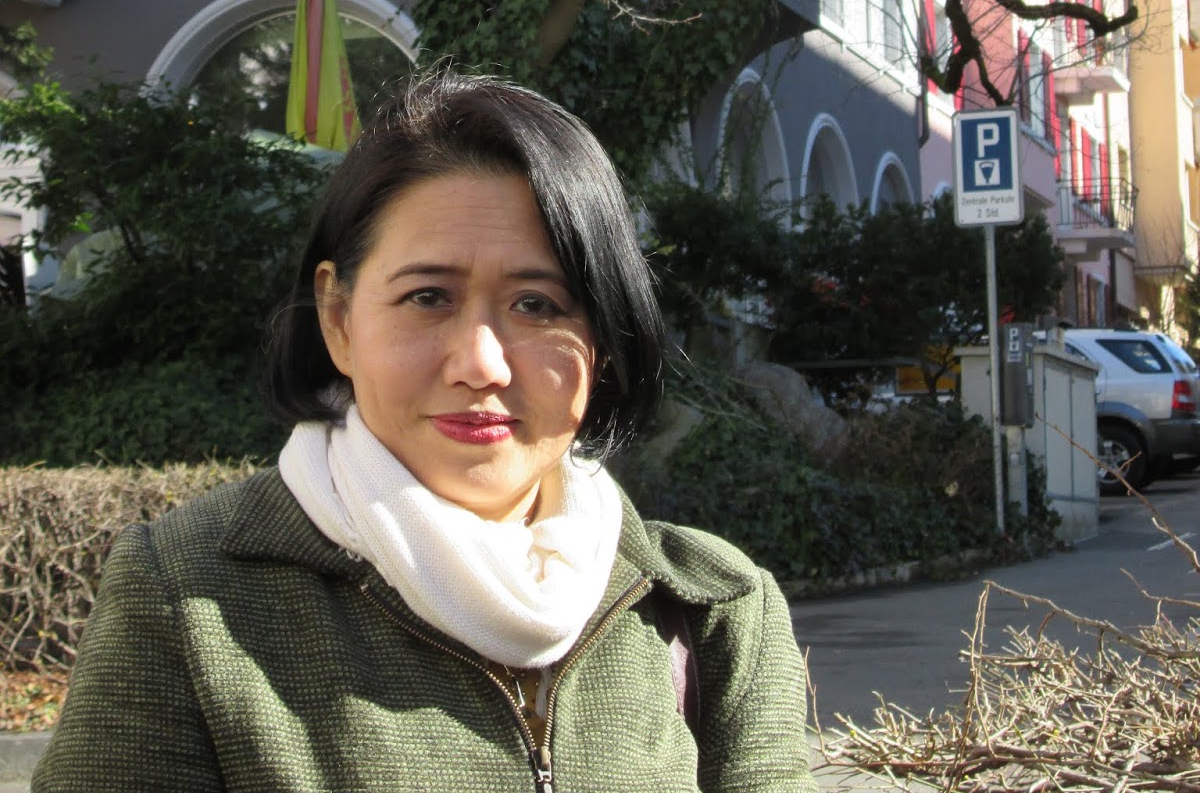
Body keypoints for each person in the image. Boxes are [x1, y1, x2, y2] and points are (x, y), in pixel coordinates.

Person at [34, 71, 816, 793]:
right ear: (339, 317)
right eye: (428, 297)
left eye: (538, 305)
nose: (480, 363)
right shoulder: (190, 595)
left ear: (605, 340)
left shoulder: (712, 609)